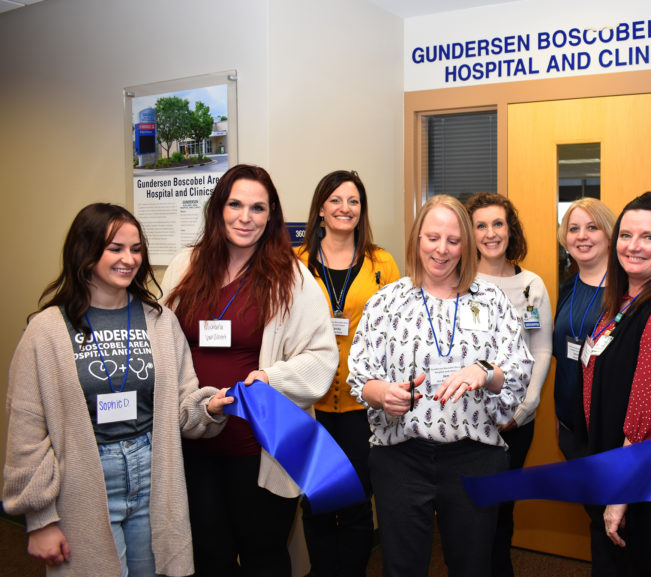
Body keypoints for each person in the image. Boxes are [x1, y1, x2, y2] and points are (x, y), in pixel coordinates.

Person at [2, 203, 231, 577]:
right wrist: (40, 519)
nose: (129, 259)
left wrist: (209, 408)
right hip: (83, 477)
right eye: (116, 248)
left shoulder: (160, 321)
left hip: (154, 473)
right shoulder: (45, 331)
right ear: (85, 252)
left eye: (136, 249)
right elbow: (27, 430)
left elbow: (183, 406)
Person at [161, 164, 339, 577]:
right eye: (235, 204)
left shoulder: (291, 277)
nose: (246, 217)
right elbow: (163, 339)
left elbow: (321, 356)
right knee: (208, 554)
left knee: (264, 555)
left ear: (271, 214)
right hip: (194, 440)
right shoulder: (185, 265)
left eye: (258, 208)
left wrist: (272, 378)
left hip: (261, 446)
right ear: (218, 209)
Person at [348, 194, 533, 577]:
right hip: (401, 456)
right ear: (417, 239)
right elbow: (361, 375)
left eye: (453, 240)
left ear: (466, 244)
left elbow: (516, 371)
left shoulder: (492, 301)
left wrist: (486, 371)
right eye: (433, 237)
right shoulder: (387, 301)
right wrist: (383, 395)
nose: (442, 249)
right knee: (402, 566)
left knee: (472, 566)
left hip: (474, 457)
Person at [577, 192, 651, 576]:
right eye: (626, 235)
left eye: (649, 237)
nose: (633, 246)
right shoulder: (621, 304)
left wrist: (620, 494)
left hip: (638, 487)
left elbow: (649, 415)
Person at [296, 170, 401, 577]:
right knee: (317, 500)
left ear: (362, 209)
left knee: (358, 502)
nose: (345, 208)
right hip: (311, 405)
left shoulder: (381, 262)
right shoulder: (296, 261)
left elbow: (396, 331)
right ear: (321, 208)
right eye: (336, 200)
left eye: (353, 201)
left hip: (363, 406)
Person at [465, 192, 553, 577]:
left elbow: (542, 347)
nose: (490, 233)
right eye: (480, 225)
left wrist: (525, 408)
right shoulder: (459, 280)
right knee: (469, 512)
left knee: (502, 510)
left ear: (510, 228)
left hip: (517, 421)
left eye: (497, 223)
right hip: (468, 419)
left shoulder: (532, 285)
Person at [552, 198, 617, 459]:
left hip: (609, 428)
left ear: (610, 234)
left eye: (592, 227)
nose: (582, 236)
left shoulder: (625, 292)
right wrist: (560, 416)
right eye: (573, 228)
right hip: (570, 425)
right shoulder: (567, 288)